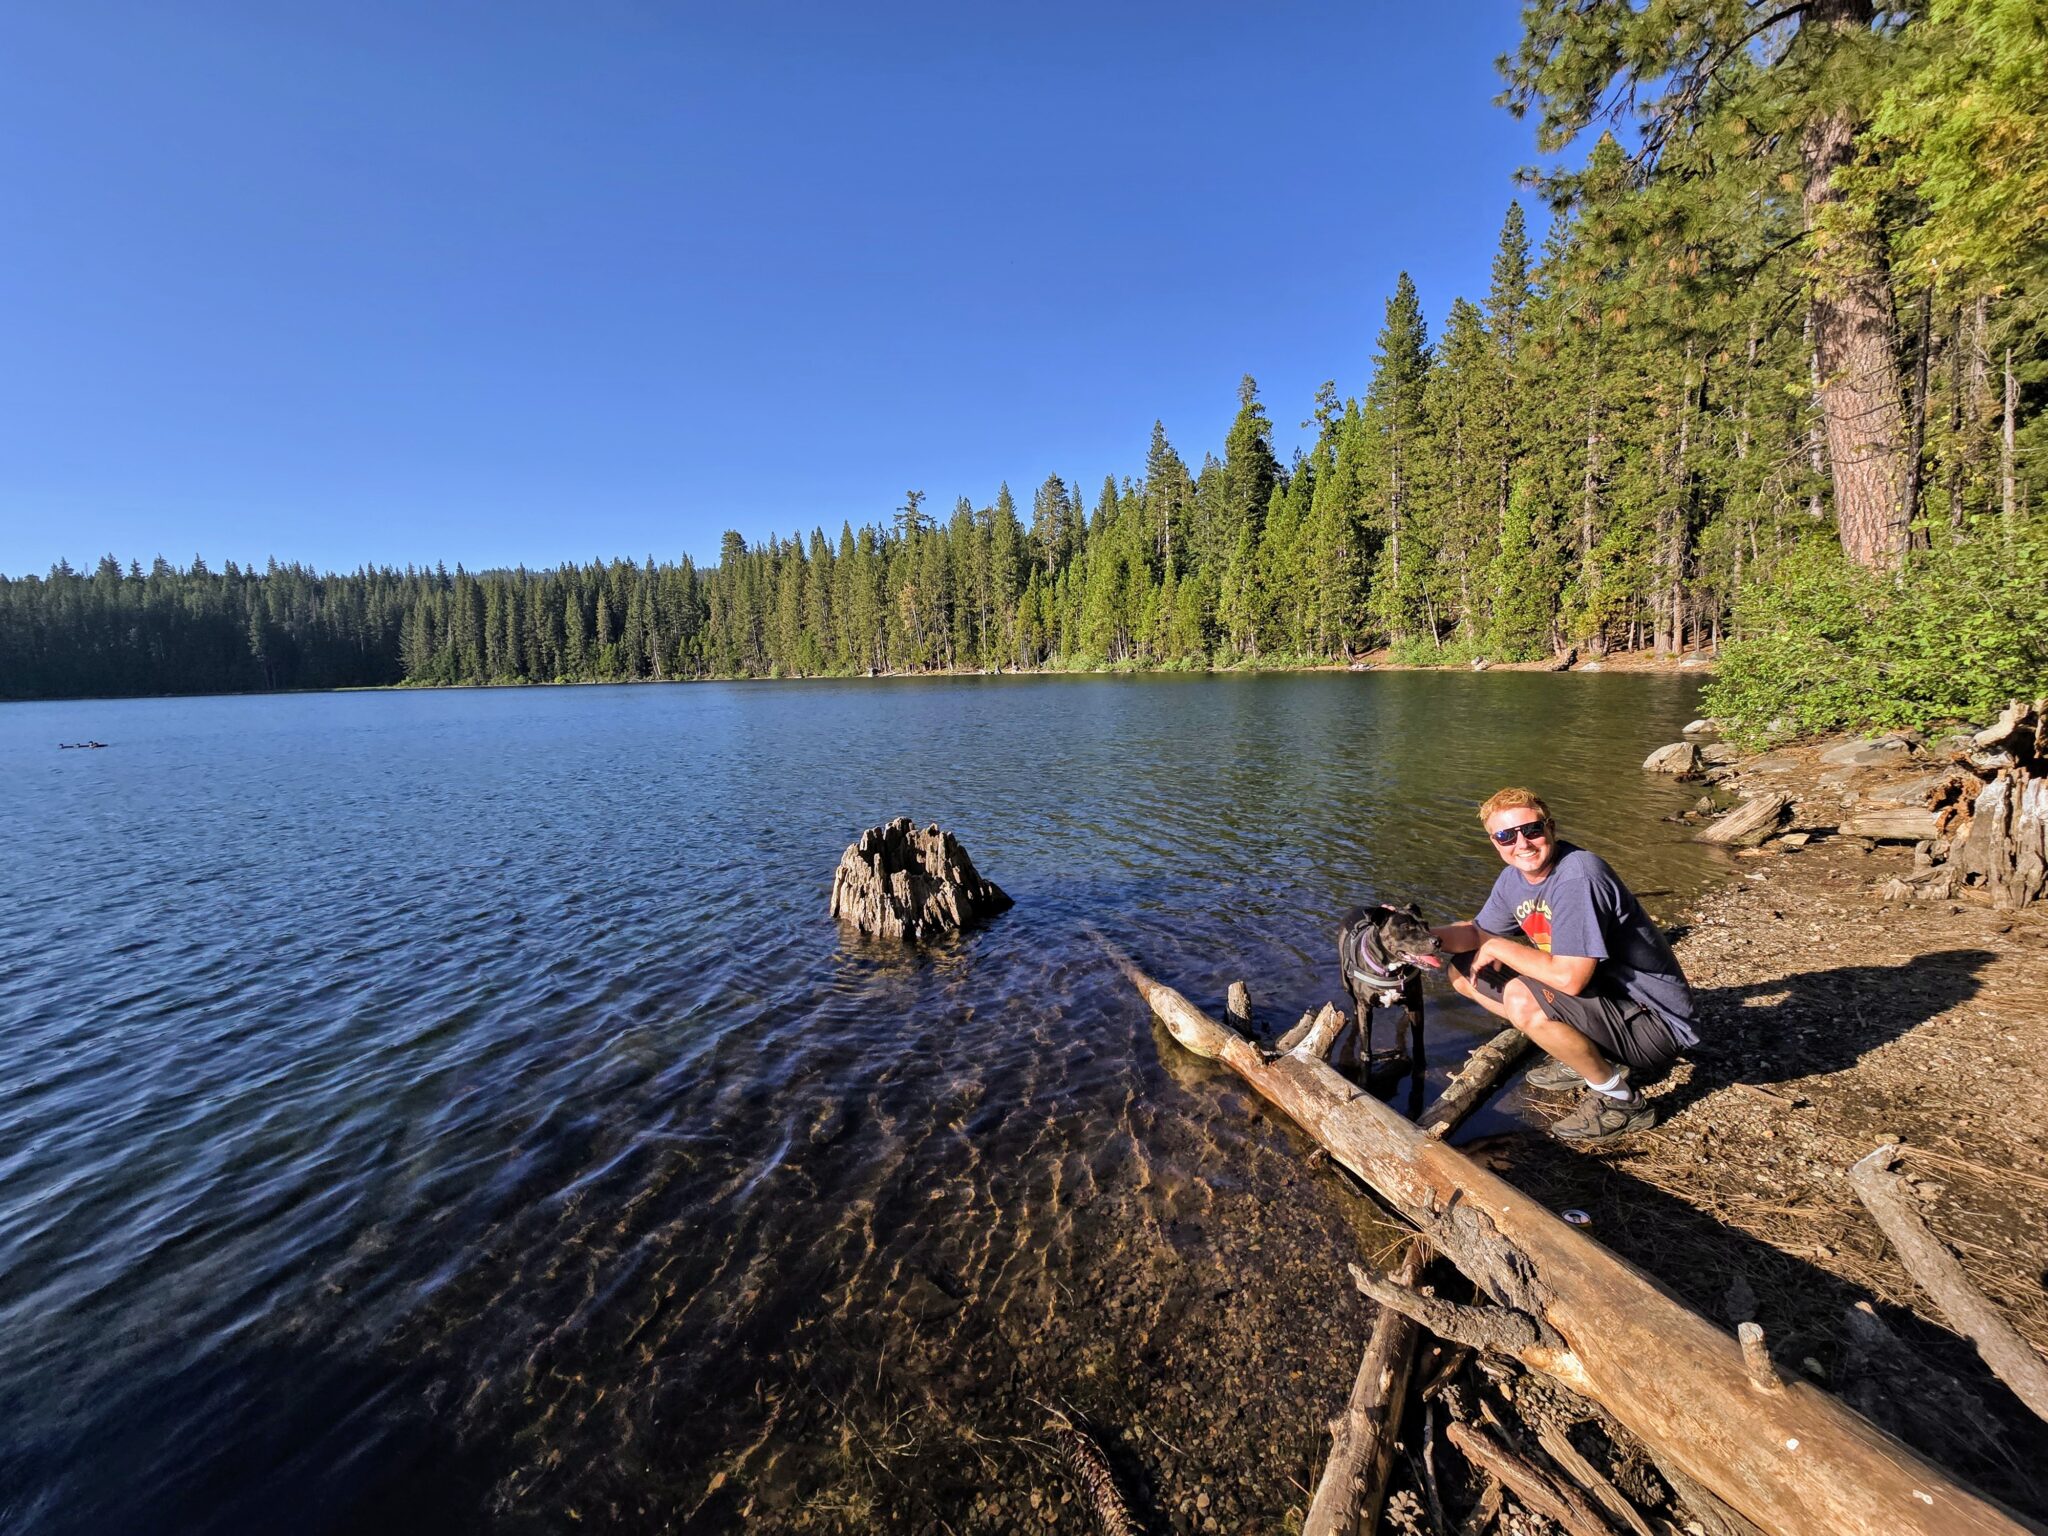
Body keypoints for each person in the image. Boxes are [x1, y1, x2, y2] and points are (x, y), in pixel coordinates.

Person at [1431, 787, 1696, 1141]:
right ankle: (1578, 1053)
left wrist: (1498, 947)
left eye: (1531, 830)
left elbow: (1569, 979)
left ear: (1551, 828)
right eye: (1506, 836)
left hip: (1654, 1025)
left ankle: (1622, 1102)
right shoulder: (1514, 878)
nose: (1521, 844)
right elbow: (1476, 933)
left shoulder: (1578, 877)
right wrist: (1412, 936)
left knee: (1522, 997)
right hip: (1609, 1001)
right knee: (1462, 971)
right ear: (1494, 842)